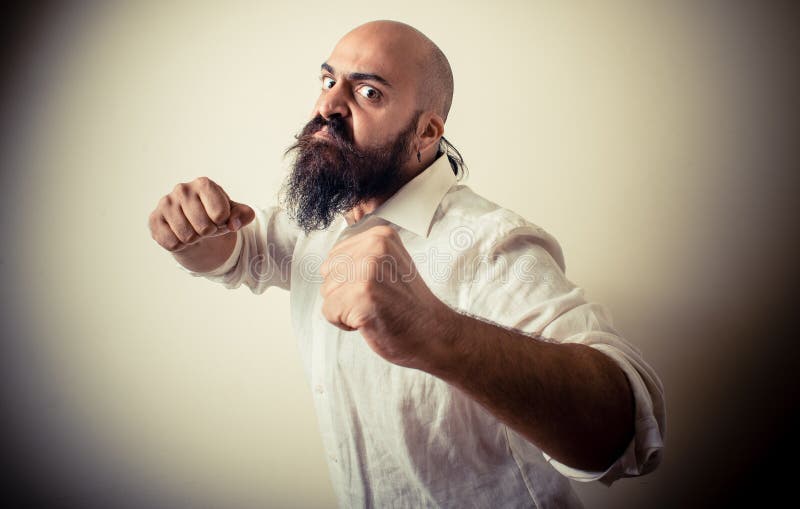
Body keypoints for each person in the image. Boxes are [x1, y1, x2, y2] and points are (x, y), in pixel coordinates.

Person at [148, 20, 665, 508]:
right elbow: (240, 254)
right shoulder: (320, 220)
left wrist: (437, 334)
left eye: (368, 92)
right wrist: (189, 234)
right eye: (328, 79)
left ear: (425, 133)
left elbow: (623, 430)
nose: (329, 104)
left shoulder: (491, 244)